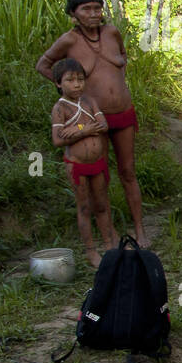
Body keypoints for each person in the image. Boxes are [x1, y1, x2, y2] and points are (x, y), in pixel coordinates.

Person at [36, 0, 147, 245]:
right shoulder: (69, 40)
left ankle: (140, 230)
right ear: (74, 14)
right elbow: (43, 64)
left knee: (128, 171)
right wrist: (67, 92)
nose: (94, 14)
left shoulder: (112, 33)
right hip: (93, 121)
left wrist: (117, 82)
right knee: (100, 176)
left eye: (97, 8)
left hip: (123, 113)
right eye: (86, 9)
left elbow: (122, 56)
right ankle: (107, 238)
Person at [50, 59, 116, 266]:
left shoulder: (89, 101)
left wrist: (79, 129)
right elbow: (58, 140)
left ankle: (109, 245)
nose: (77, 84)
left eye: (80, 79)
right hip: (76, 165)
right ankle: (90, 250)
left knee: (102, 204)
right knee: (85, 207)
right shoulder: (60, 109)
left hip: (97, 163)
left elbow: (103, 125)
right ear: (59, 83)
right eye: (70, 80)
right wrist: (85, 129)